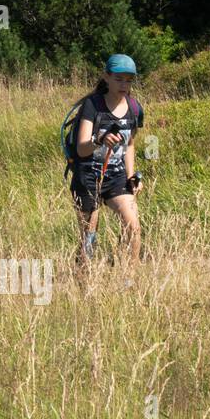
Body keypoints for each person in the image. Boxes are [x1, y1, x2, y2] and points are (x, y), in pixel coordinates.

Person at [69, 54, 145, 267]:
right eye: (119, 79)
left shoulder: (134, 108)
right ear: (107, 77)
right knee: (89, 237)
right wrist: (99, 140)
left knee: (133, 227)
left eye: (129, 80)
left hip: (117, 176)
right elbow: (82, 149)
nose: (124, 84)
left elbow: (129, 144)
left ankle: (130, 281)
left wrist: (131, 176)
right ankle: (84, 282)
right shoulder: (92, 106)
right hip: (88, 176)